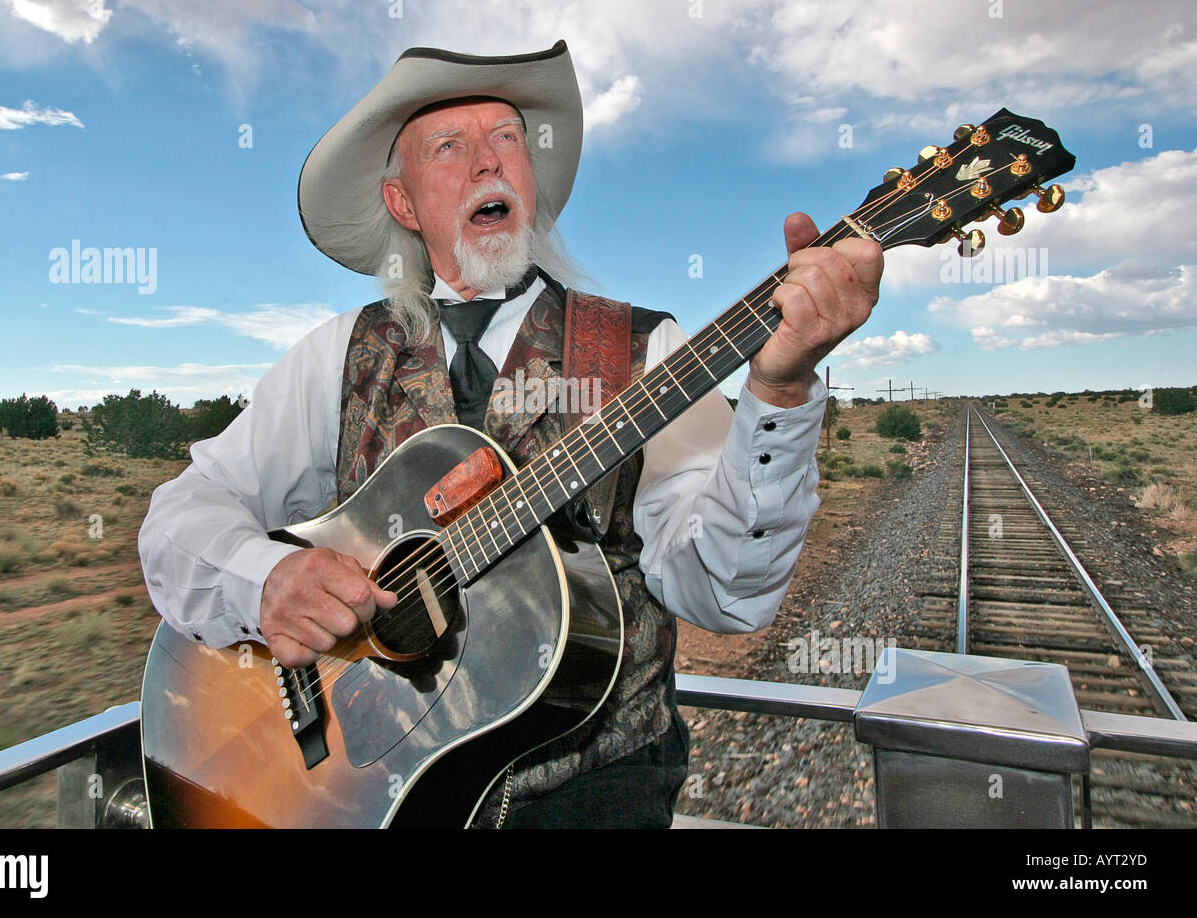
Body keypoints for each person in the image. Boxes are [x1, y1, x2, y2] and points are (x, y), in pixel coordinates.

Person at [138, 40, 882, 828]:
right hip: (377, 796)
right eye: (450, 147)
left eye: (507, 139)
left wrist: (782, 387)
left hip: (593, 798)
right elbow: (179, 521)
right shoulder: (338, 358)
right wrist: (265, 582)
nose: (489, 163)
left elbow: (728, 591)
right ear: (403, 203)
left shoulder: (645, 354)